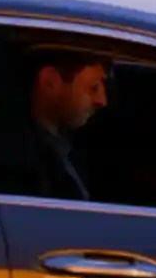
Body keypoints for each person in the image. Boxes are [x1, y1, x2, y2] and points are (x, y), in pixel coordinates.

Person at [21, 48, 111, 200]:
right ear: (49, 81)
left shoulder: (73, 149)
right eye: (93, 87)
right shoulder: (17, 163)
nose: (102, 101)